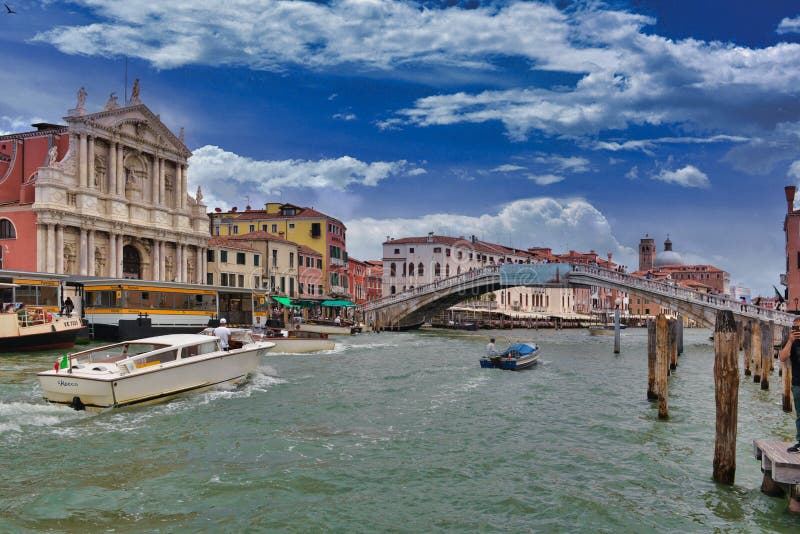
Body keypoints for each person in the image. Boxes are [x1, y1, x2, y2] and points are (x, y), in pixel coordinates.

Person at [779, 317, 800, 452]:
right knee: (799, 415)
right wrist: (791, 341)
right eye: (794, 327)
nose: (796, 330)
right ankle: (799, 442)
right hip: (798, 384)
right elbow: (782, 357)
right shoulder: (792, 343)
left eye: (798, 327)